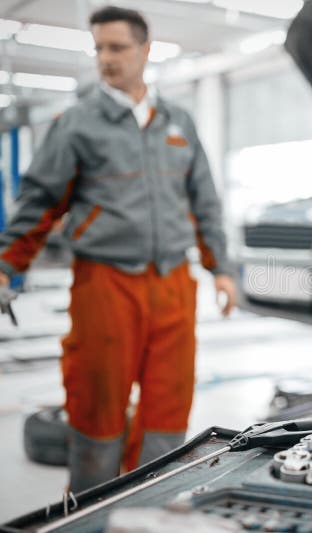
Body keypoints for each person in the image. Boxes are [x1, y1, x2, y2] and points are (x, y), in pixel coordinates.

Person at [0, 6, 236, 491]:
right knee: (96, 407)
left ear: (145, 50)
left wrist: (222, 269)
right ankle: (91, 511)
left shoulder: (179, 122)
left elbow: (205, 201)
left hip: (173, 285)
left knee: (169, 407)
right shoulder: (77, 124)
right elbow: (39, 201)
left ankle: (149, 510)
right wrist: (6, 264)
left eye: (117, 47)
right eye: (99, 48)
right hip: (105, 285)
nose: (106, 58)